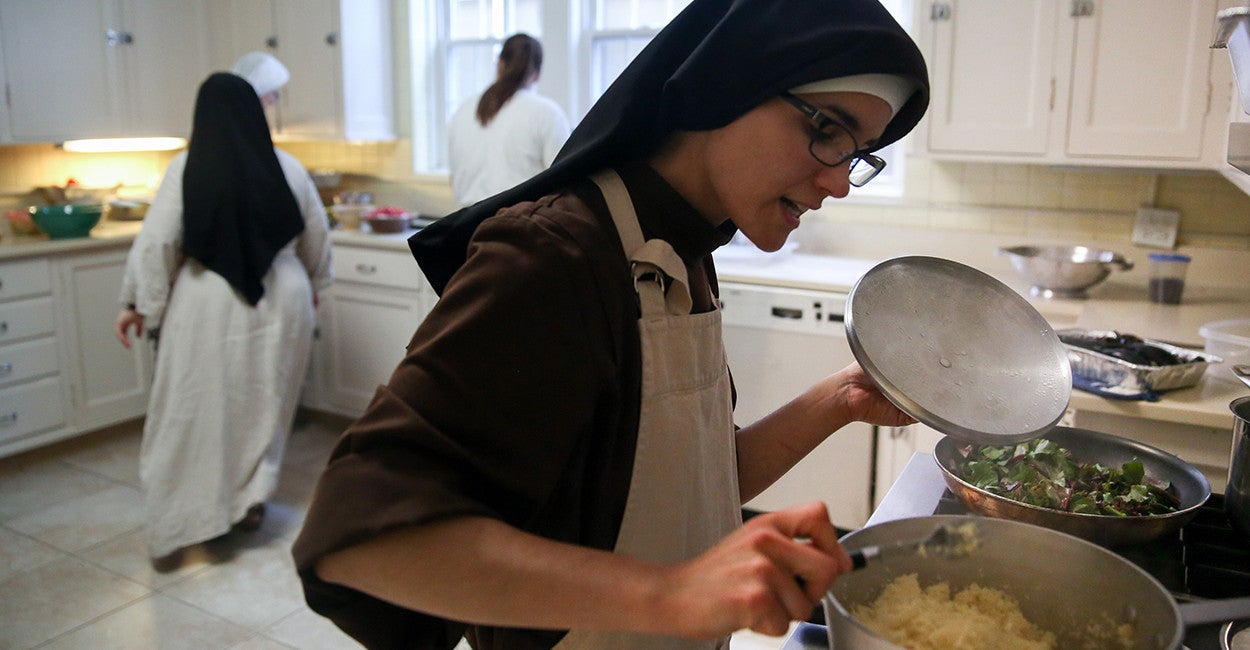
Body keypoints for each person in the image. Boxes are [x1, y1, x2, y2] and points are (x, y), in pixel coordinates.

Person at [293, 0, 926, 648]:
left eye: (858, 154)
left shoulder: (684, 251)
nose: (839, 182)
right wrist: (672, 595)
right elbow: (354, 535)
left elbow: (697, 486)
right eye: (828, 128)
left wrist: (840, 398)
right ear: (730, 82)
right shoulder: (557, 254)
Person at [114, 57, 333, 568]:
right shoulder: (289, 167)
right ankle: (249, 501)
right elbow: (316, 235)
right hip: (283, 298)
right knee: (265, 403)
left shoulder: (186, 167)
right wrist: (314, 283)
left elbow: (157, 244)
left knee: (197, 406)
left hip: (207, 301)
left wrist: (139, 305)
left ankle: (192, 515)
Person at [447, 33, 571, 207]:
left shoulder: (463, 111)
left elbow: (455, 179)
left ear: (499, 64)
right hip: (520, 221)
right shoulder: (547, 113)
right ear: (537, 74)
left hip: (467, 221)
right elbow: (564, 183)